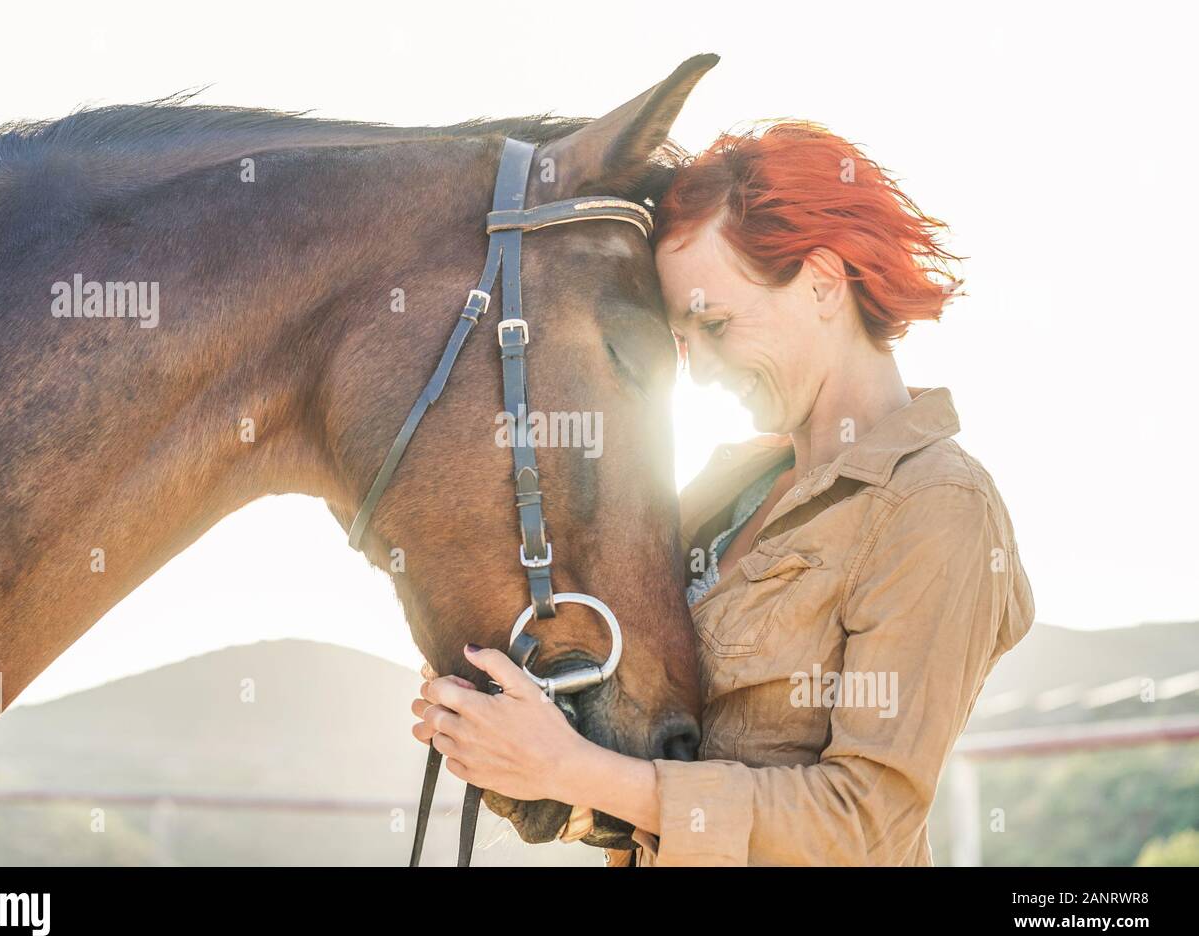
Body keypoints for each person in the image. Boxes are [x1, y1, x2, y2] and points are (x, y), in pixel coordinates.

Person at [413, 121, 1035, 866]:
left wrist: (575, 769)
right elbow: (658, 790)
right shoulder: (728, 487)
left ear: (824, 283)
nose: (699, 371)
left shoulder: (936, 506)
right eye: (684, 341)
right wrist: (511, 747)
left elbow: (865, 826)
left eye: (715, 325)